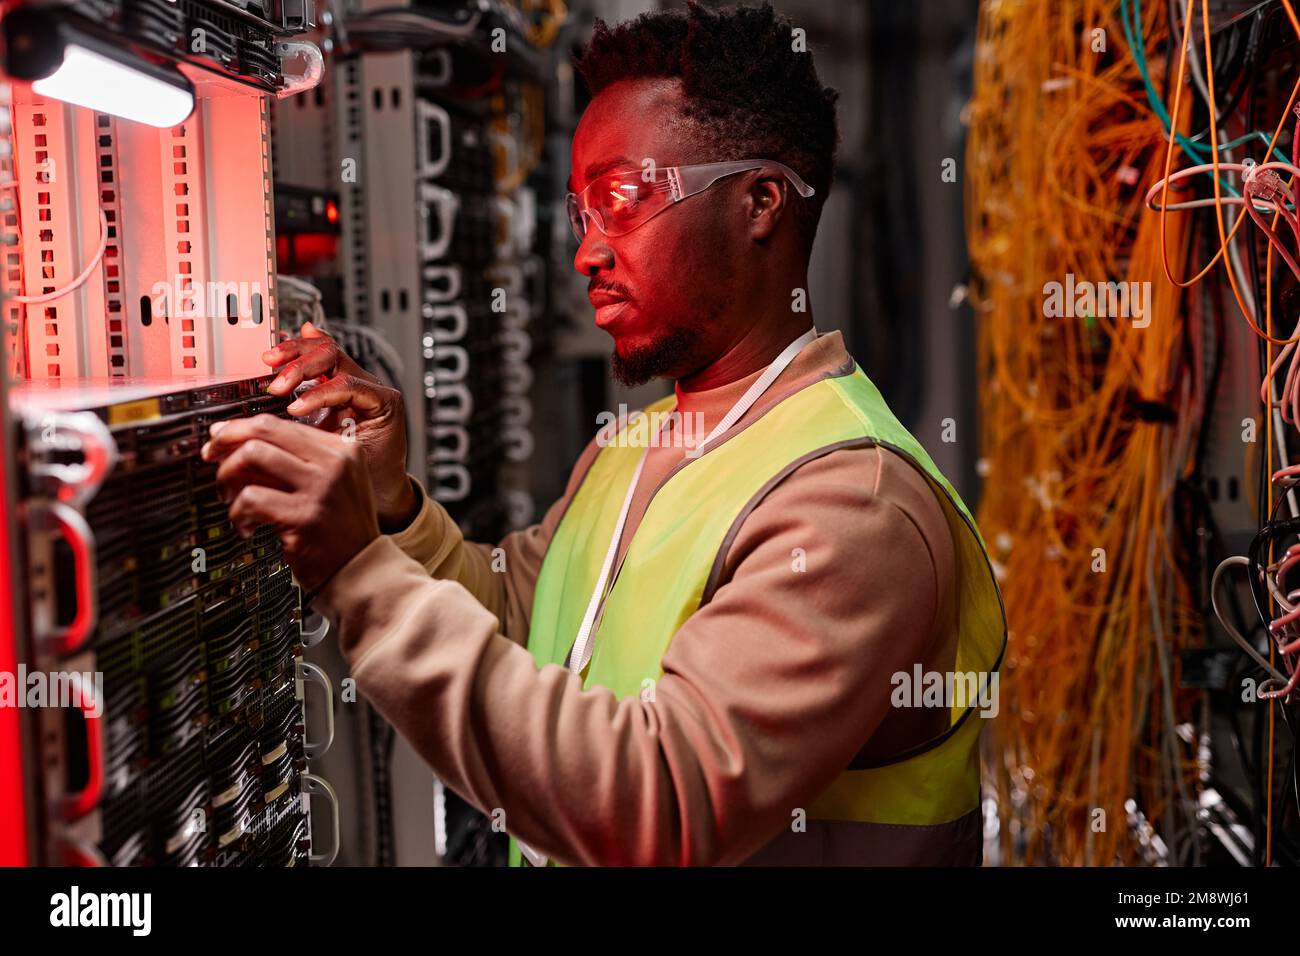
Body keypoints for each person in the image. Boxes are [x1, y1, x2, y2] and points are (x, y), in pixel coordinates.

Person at [201, 1, 1006, 866]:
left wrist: (356, 569)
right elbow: (526, 624)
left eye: (622, 199)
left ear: (761, 203)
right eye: (583, 214)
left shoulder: (851, 504)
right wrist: (390, 508)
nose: (586, 253)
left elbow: (656, 804)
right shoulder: (639, 443)